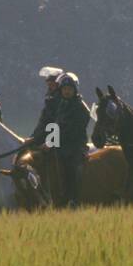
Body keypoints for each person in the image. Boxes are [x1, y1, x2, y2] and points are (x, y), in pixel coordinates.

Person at [52, 72, 90, 208]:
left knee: (72, 168)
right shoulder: (60, 105)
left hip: (75, 146)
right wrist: (49, 142)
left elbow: (73, 131)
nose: (67, 91)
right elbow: (55, 125)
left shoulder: (81, 108)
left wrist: (54, 141)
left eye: (69, 89)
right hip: (60, 145)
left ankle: (74, 198)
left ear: (75, 90)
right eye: (64, 89)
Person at [28, 66, 65, 147]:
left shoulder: (61, 100)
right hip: (47, 135)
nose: (50, 87)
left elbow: (58, 123)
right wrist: (33, 137)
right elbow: (43, 120)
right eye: (48, 85)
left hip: (57, 139)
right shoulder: (50, 98)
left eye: (52, 85)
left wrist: (50, 142)